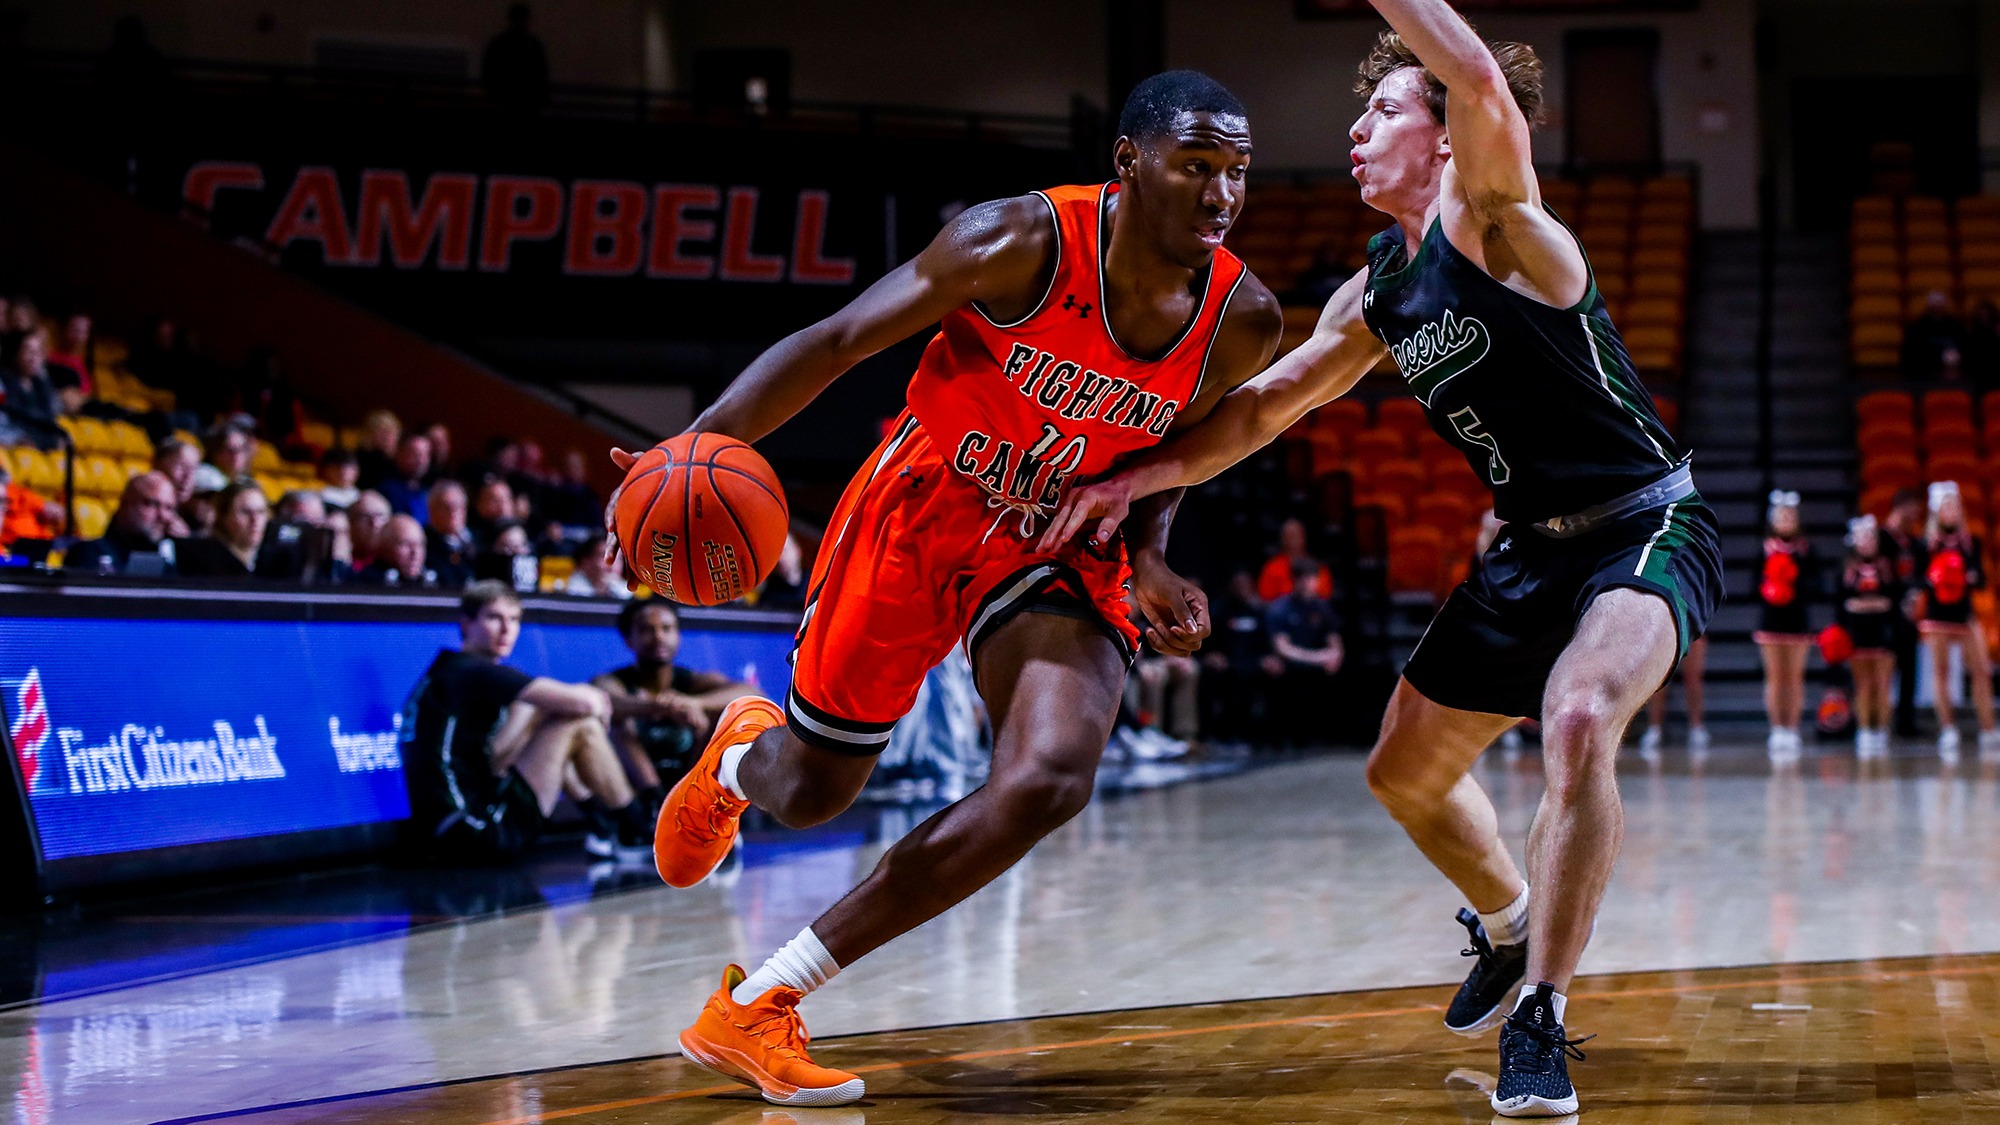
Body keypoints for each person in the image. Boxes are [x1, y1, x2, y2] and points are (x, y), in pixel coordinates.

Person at [1040, 9, 1721, 1115]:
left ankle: (1540, 1016)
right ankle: (1505, 926)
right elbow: (1266, 407)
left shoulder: (1496, 220)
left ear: (1447, 133)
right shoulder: (1375, 294)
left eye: (1382, 109)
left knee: (1581, 715)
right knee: (1400, 774)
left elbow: (1469, 73)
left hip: (1642, 523)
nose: (1354, 129)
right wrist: (1131, 480)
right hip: (1526, 552)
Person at [623, 70, 1281, 1106]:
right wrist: (697, 446)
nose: (1219, 195)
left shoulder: (1241, 317)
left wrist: (1149, 548)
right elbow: (836, 341)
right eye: (1196, 166)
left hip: (1062, 540)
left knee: (1049, 777)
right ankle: (741, 762)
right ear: (1126, 165)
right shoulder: (1016, 241)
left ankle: (760, 1003)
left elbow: (1182, 449)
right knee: (811, 790)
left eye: (1235, 172)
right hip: (926, 502)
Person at [397, 582, 652, 861]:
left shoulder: (449, 669)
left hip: (445, 831)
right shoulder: (473, 671)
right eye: (494, 618)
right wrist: (594, 699)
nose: (507, 630)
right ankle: (636, 828)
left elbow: (494, 759)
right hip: (474, 829)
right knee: (578, 723)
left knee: (538, 709)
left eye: (515, 620)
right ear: (466, 624)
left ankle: (602, 825)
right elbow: (585, 703)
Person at [594, 600, 754, 799]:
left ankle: (696, 801)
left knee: (725, 716)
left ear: (678, 635)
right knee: (617, 723)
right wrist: (660, 706)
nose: (658, 637)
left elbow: (752, 695)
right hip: (631, 792)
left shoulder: (693, 681)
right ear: (628, 639)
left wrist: (697, 703)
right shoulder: (614, 681)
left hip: (689, 779)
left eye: (667, 629)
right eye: (646, 630)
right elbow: (602, 700)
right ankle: (652, 804)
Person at [1917, 481, 1997, 756]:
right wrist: (1935, 578)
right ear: (1936, 511)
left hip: (1964, 613)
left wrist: (1968, 577)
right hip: (1937, 615)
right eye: (1945, 506)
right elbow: (1917, 580)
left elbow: (1981, 579)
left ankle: (1988, 727)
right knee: (1941, 673)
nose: (1951, 511)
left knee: (1981, 671)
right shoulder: (1927, 544)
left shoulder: (1969, 542)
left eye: (1954, 506)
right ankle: (1948, 728)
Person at [1755, 490, 1813, 761]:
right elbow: (1754, 583)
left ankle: (1793, 727)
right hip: (1771, 621)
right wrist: (1771, 588)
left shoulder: (1806, 550)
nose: (1787, 519)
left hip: (1798, 621)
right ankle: (1777, 728)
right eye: (1782, 515)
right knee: (1775, 677)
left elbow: (1817, 583)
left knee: (1795, 677)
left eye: (1791, 515)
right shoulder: (1764, 549)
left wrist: (1794, 583)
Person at [1838, 515, 1900, 759]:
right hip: (1858, 632)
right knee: (1863, 685)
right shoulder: (1849, 568)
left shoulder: (1886, 566)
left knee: (1883, 684)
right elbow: (1843, 602)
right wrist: (1868, 605)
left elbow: (1892, 598)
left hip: (1883, 631)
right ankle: (1864, 729)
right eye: (1862, 538)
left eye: (1871, 537)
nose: (1867, 542)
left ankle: (1882, 729)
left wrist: (1869, 605)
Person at [1264, 557, 1343, 744]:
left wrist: (1334, 657)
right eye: (1303, 579)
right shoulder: (1280, 608)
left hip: (1316, 666)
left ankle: (1330, 736)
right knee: (1284, 674)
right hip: (1291, 666)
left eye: (1312, 578)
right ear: (1295, 581)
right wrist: (1317, 657)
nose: (1308, 584)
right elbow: (1282, 647)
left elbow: (1335, 643)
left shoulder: (1323, 608)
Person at [69, 472, 181, 576]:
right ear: (125, 504)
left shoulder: (167, 568)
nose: (162, 516)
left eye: (169, 508)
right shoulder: (90, 555)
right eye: (151, 504)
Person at [1881, 488, 1927, 737]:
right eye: (1913, 508)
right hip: (1885, 614)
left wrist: (1916, 595)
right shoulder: (1881, 538)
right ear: (1900, 507)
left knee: (1910, 670)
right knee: (1885, 671)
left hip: (1908, 614)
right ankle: (1877, 722)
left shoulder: (1915, 542)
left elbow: (1920, 577)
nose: (1916, 513)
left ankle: (1906, 722)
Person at [1635, 637, 1707, 759]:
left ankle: (1696, 728)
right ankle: (1654, 728)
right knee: (1660, 680)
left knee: (1694, 680)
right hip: (1668, 629)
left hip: (1691, 627)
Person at [1, 329, 65, 450]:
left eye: (38, 352)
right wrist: (16, 440)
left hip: (42, 446)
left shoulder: (43, 385)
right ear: (14, 352)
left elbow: (51, 418)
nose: (34, 357)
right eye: (28, 351)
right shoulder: (2, 383)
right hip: (14, 449)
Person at [482, 3, 550, 115]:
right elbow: (541, 74)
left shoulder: (498, 44)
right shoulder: (533, 45)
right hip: (527, 101)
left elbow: (489, 72)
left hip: (504, 100)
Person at [1256, 516, 1333, 601]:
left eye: (1297, 534)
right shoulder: (1272, 567)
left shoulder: (1318, 566)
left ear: (1304, 537)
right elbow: (1266, 599)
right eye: (1289, 536)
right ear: (1282, 539)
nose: (1293, 540)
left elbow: (1325, 596)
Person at [357, 513, 436, 587]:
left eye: (420, 545)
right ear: (385, 546)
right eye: (406, 544)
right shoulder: (366, 583)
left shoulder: (436, 580)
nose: (415, 552)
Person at [424, 479, 477, 588]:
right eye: (446, 507)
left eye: (457, 506)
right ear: (431, 510)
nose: (452, 512)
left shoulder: (477, 540)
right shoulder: (425, 543)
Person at [1902, 291, 1961, 381]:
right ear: (1929, 307)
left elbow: (1963, 347)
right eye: (1934, 306)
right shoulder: (1918, 327)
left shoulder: (1955, 326)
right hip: (1924, 375)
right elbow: (1911, 352)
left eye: (1940, 306)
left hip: (1952, 376)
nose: (1937, 310)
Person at [378, 434, 434, 523]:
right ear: (399, 454)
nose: (421, 460)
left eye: (425, 454)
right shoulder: (386, 491)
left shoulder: (430, 490)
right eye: (415, 454)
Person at [192, 420, 255, 493]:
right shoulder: (206, 477)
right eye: (230, 449)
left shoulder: (245, 482)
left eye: (241, 449)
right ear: (216, 452)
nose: (236, 454)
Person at [564, 531, 630, 599]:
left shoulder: (627, 595)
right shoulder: (569, 594)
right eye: (605, 557)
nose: (613, 566)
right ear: (585, 562)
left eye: (619, 559)